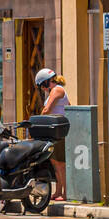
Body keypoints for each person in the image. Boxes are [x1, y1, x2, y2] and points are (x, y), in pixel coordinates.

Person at [37, 68, 70, 201]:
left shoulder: (57, 89)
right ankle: (58, 191)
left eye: (42, 86)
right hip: (54, 130)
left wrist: (36, 122)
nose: (43, 89)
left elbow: (47, 109)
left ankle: (66, 193)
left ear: (45, 82)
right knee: (55, 162)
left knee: (60, 163)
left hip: (60, 130)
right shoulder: (55, 90)